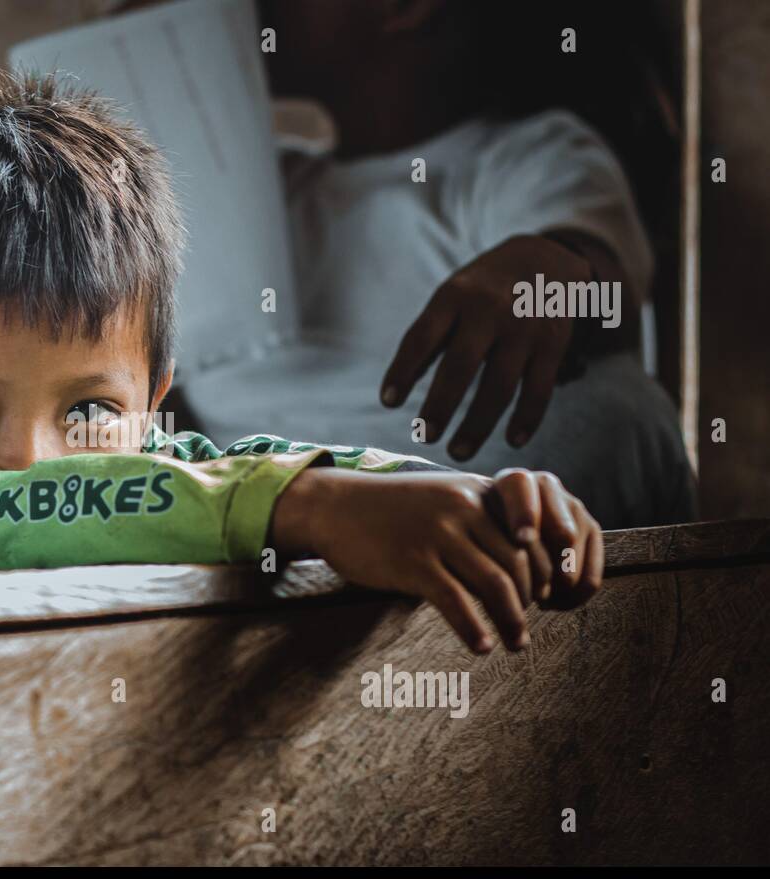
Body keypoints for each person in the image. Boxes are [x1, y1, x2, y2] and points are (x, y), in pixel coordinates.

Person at [0, 65, 602, 655]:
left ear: (155, 402)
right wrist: (306, 504)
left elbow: (187, 471)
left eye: (87, 414)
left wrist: (445, 496)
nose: (32, 464)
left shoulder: (128, 465)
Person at [178, 0, 696, 530]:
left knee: (619, 414)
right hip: (259, 507)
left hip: (440, 503)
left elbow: (609, 297)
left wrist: (546, 274)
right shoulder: (269, 184)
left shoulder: (520, 161)